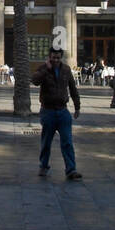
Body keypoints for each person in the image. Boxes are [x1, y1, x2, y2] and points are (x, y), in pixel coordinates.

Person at [31, 46, 82, 180]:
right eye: (53, 57)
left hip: (63, 111)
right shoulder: (44, 69)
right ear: (49, 57)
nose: (56, 60)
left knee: (67, 142)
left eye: (58, 58)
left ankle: (71, 169)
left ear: (61, 58)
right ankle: (43, 166)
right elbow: (35, 81)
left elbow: (73, 88)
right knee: (46, 142)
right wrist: (46, 69)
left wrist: (77, 107)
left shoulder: (66, 70)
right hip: (48, 111)